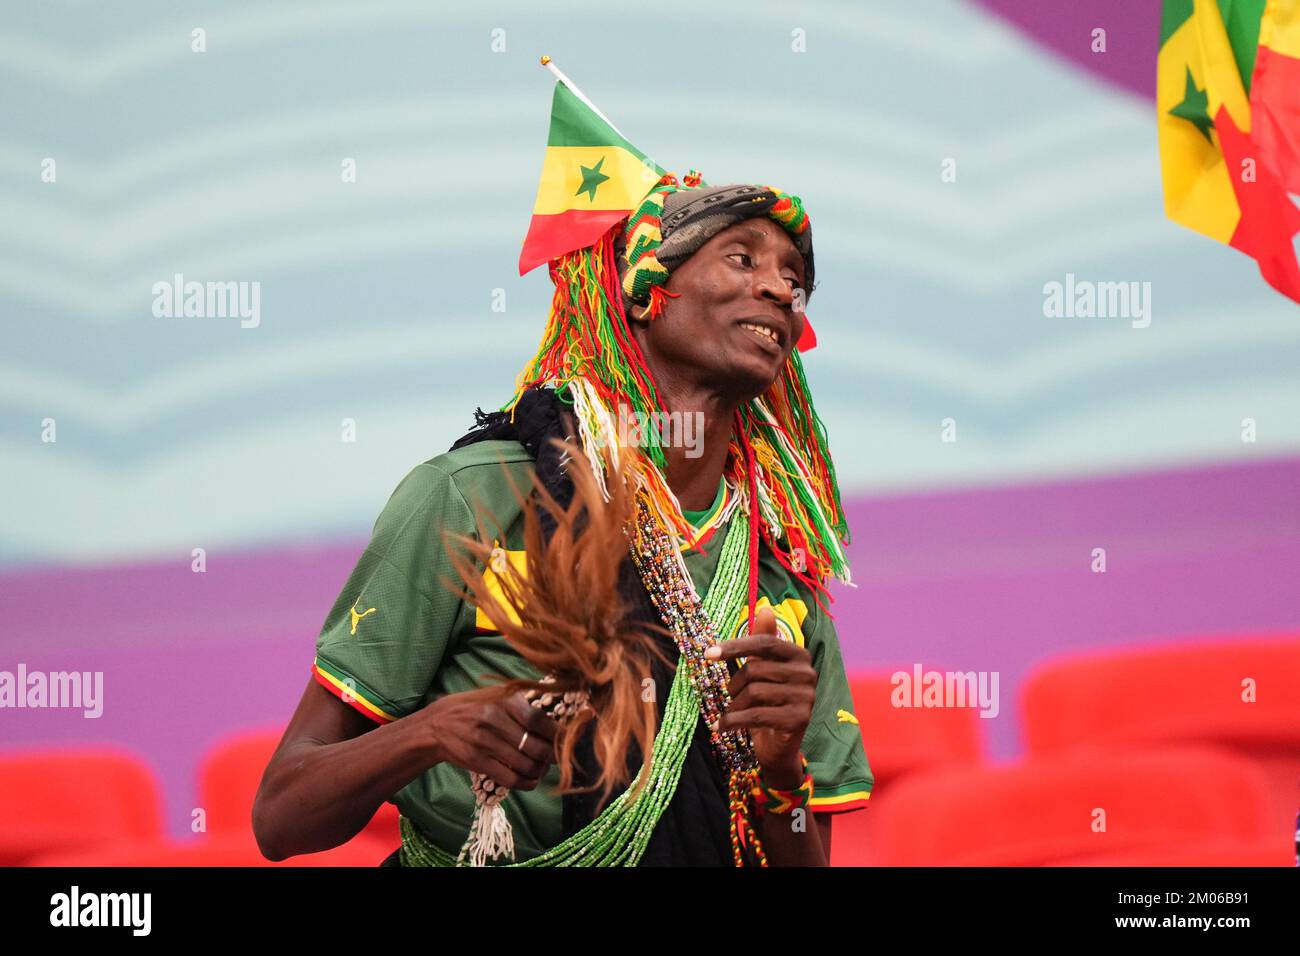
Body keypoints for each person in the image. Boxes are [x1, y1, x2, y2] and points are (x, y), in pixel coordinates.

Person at [251, 173, 873, 867]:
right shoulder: (473, 500)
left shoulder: (780, 574)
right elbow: (282, 817)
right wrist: (429, 734)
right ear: (642, 287)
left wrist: (781, 775)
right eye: (742, 257)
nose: (779, 289)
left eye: (795, 278)